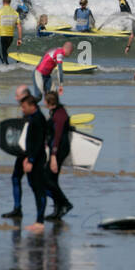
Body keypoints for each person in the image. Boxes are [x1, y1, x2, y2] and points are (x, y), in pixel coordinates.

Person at [19, 91, 49, 232]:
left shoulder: (38, 119)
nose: (22, 109)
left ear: (32, 106)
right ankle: (39, 221)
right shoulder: (33, 117)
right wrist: (26, 157)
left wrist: (31, 160)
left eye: (24, 107)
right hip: (32, 157)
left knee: (39, 189)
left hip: (37, 159)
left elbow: (37, 143)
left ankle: (40, 222)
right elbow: (30, 142)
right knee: (34, 187)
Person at [2, 83, 32, 220]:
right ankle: (17, 208)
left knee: (36, 183)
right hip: (23, 151)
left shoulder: (31, 111)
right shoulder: (25, 108)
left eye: (17, 95)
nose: (15, 98)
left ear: (25, 96)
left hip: (29, 153)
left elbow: (32, 135)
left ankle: (61, 203)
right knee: (15, 178)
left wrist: (28, 157)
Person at [44, 90, 73, 219]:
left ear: (49, 102)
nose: (43, 102)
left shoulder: (60, 115)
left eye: (45, 100)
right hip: (56, 149)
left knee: (47, 178)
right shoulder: (56, 111)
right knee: (53, 179)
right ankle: (58, 210)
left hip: (59, 149)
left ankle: (65, 203)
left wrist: (54, 155)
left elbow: (58, 135)